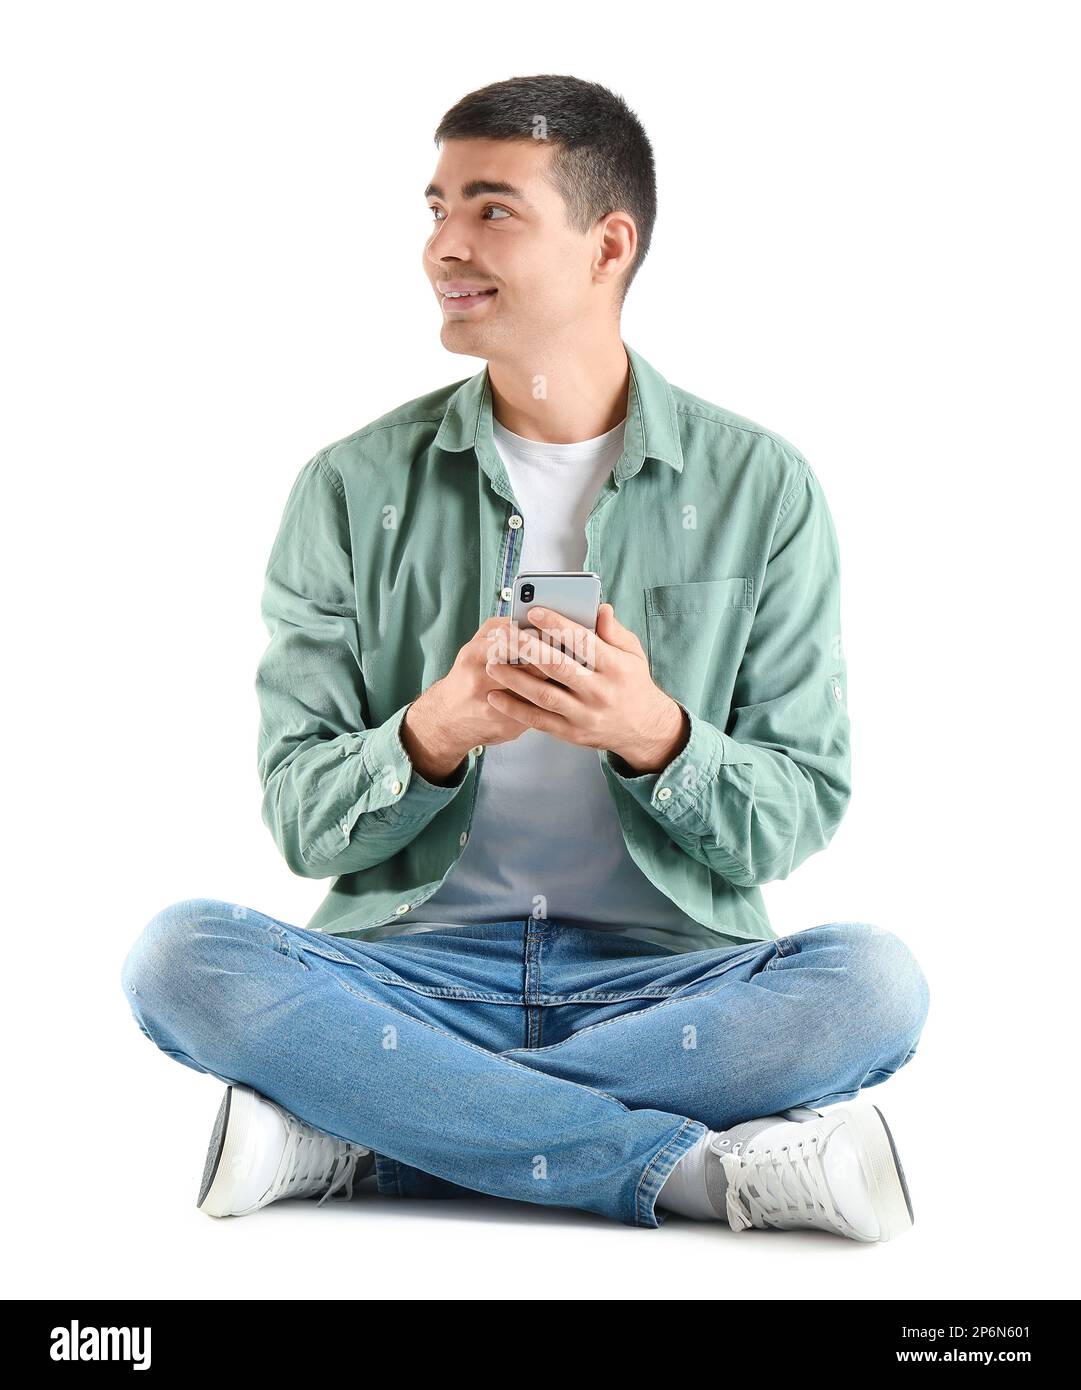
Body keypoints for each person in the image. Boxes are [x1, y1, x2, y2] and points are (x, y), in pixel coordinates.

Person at [120, 74, 930, 1237]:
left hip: (663, 981)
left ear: (609, 245)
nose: (442, 244)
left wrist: (652, 735)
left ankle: (371, 1133)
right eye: (435, 205)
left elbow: (798, 810)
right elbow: (302, 816)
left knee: (874, 986)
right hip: (410, 978)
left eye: (491, 209)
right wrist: (432, 733)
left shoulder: (764, 488)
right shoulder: (349, 487)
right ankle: (693, 1170)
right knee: (178, 956)